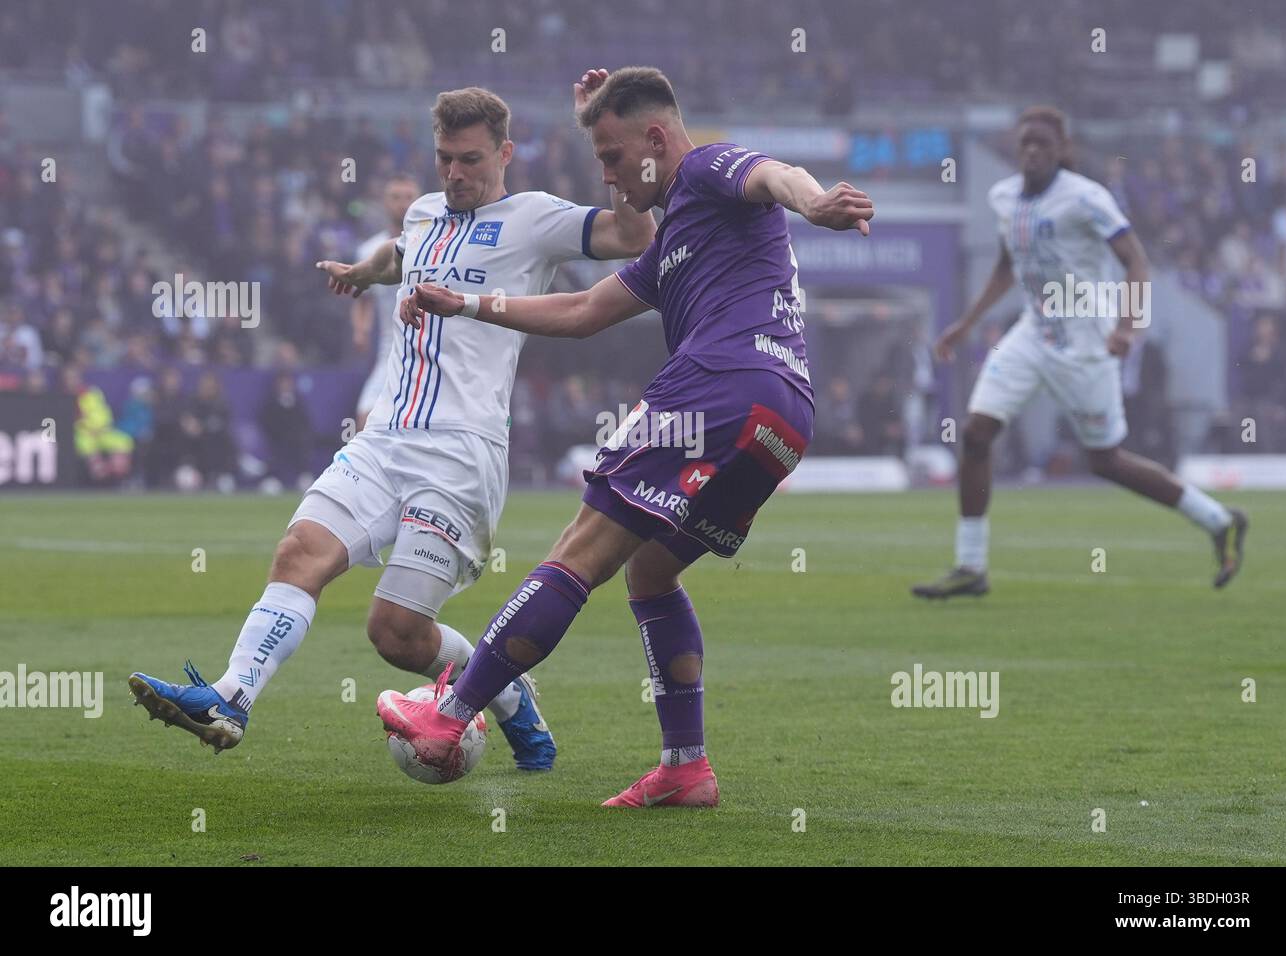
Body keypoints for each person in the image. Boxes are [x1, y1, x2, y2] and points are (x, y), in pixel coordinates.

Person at [378, 66, 873, 806]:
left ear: (655, 139)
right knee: (650, 573)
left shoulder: (707, 168)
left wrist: (818, 204)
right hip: (782, 415)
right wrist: (469, 303)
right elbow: (580, 311)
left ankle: (448, 716)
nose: (606, 176)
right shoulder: (676, 243)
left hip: (716, 385)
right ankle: (686, 768)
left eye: (612, 158)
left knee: (580, 550)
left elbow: (778, 175)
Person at [128, 81, 656, 772]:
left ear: (505, 152)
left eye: (470, 159)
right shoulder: (426, 213)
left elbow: (630, 234)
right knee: (298, 554)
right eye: (445, 159)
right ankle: (231, 697)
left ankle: (511, 699)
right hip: (384, 441)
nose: (455, 174)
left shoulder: (536, 219)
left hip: (460, 456)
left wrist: (611, 151)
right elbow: (399, 254)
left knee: (397, 632)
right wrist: (363, 272)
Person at [912, 107, 1246, 600]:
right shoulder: (1004, 196)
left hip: (1086, 337)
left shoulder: (1086, 198)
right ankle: (971, 564)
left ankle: (1219, 519)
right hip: (1033, 331)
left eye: (1041, 145)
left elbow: (1136, 259)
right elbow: (1008, 266)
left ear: (1061, 151)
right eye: (1024, 143)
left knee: (1106, 461)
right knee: (977, 432)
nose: (1031, 152)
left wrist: (1128, 327)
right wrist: (966, 324)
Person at [352, 174, 419, 429]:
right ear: (384, 202)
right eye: (395, 197)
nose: (402, 204)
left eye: (408, 197)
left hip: (428, 350)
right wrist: (360, 329)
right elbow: (362, 297)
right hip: (389, 351)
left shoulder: (432, 246)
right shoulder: (368, 250)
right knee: (364, 419)